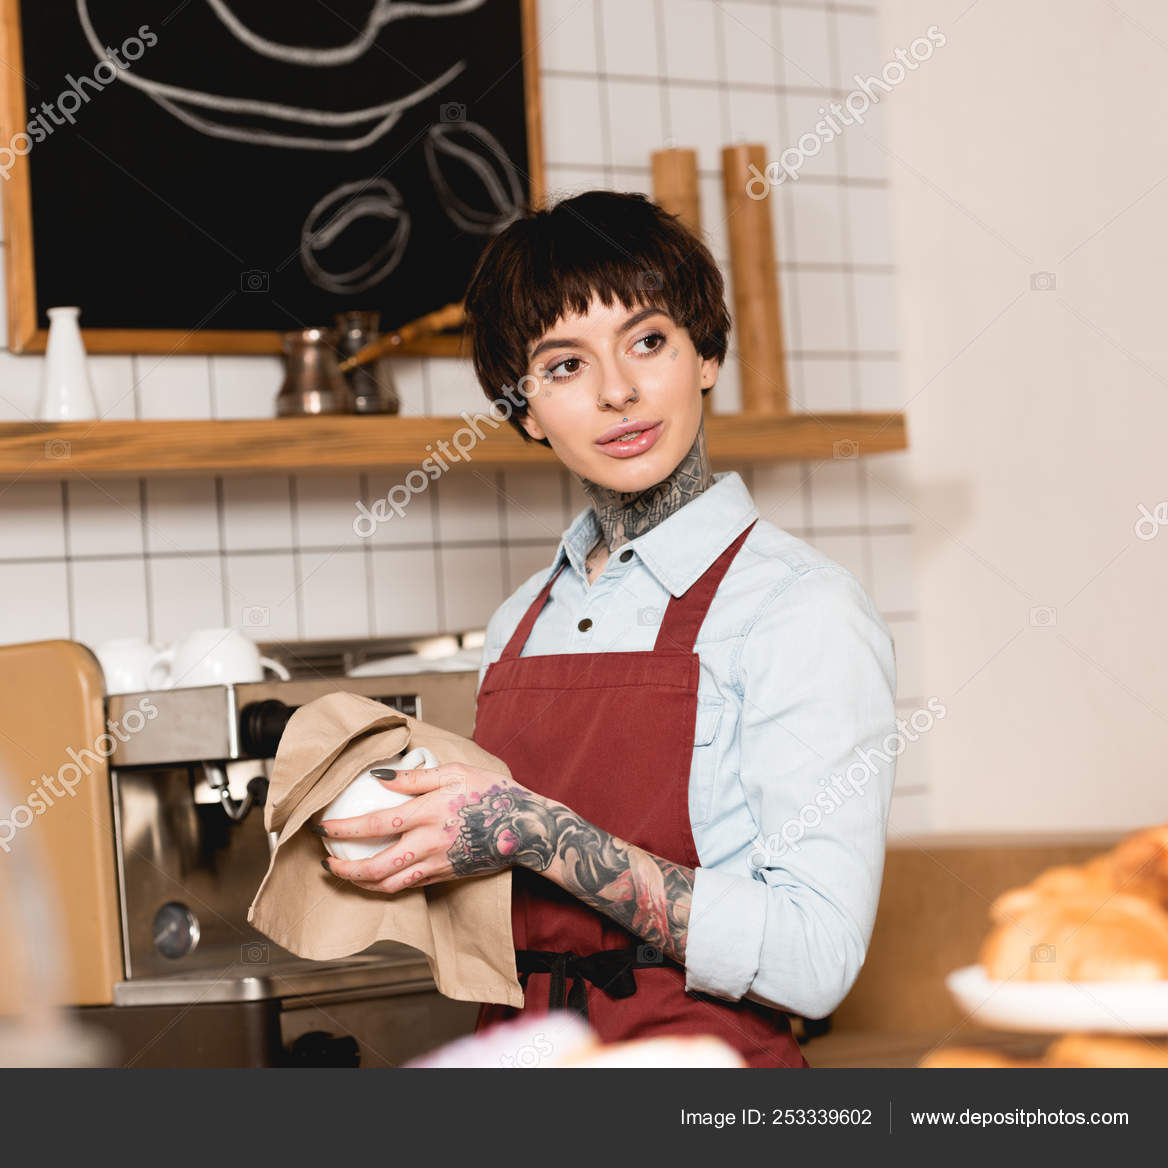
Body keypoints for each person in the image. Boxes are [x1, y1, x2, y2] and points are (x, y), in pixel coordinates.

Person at [314, 190, 898, 1067]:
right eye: (564, 366)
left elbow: (817, 964)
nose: (619, 391)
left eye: (649, 341)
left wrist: (540, 833)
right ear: (524, 412)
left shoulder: (799, 609)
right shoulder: (520, 621)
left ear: (705, 354)